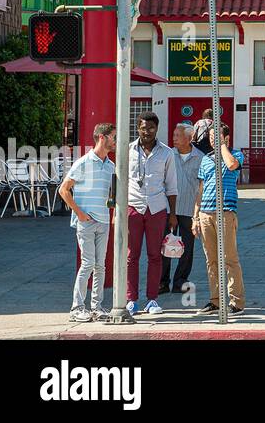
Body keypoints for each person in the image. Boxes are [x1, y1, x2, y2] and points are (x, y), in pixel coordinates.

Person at [58, 123, 117, 323]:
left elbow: (112, 194)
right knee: (88, 264)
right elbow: (63, 190)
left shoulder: (111, 166)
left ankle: (97, 307)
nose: (115, 141)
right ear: (102, 137)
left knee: (101, 266)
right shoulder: (83, 163)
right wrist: (80, 213)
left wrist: (113, 209)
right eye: (113, 137)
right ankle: (77, 308)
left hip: (104, 221)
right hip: (87, 222)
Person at [126, 111, 177, 317]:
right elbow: (119, 181)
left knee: (155, 255)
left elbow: (172, 186)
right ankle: (131, 299)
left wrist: (172, 214)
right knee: (131, 256)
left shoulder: (166, 153)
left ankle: (152, 299)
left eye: (150, 128)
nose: (146, 131)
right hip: (133, 206)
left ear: (157, 128)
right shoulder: (127, 150)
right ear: (137, 128)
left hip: (157, 208)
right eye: (143, 127)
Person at [195, 122, 245, 314]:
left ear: (226, 138)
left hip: (225, 212)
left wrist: (223, 146)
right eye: (211, 137)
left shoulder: (236, 154)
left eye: (217, 136)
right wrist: (195, 216)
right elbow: (200, 188)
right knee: (211, 260)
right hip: (205, 213)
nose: (213, 139)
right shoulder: (205, 159)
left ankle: (236, 301)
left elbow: (232, 165)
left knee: (229, 258)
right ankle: (215, 299)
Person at [160, 123, 203, 296]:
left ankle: (180, 280)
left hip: (189, 209)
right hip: (169, 208)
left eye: (178, 135)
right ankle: (162, 282)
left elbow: (201, 186)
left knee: (187, 248)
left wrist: (198, 213)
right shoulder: (168, 155)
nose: (174, 138)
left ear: (189, 138)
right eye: (174, 135)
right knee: (165, 246)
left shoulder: (200, 157)